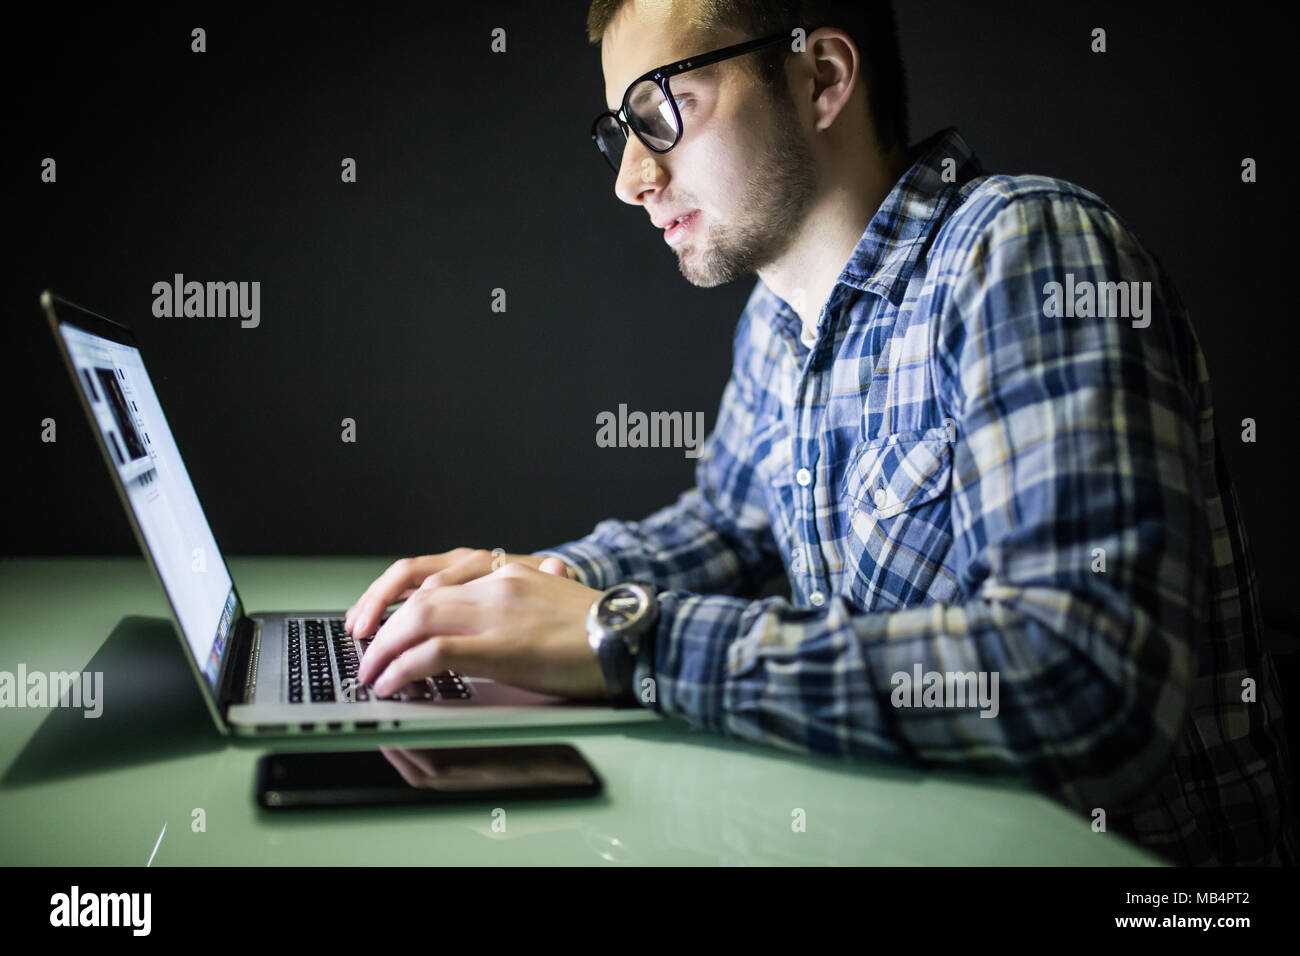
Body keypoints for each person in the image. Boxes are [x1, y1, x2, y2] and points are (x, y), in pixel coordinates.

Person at [349, 0, 1294, 865]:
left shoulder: (1026, 251)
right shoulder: (778, 319)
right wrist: (540, 588)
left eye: (661, 109)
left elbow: (1089, 680)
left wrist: (626, 640)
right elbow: (731, 531)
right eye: (619, 133)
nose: (632, 179)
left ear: (822, 77)